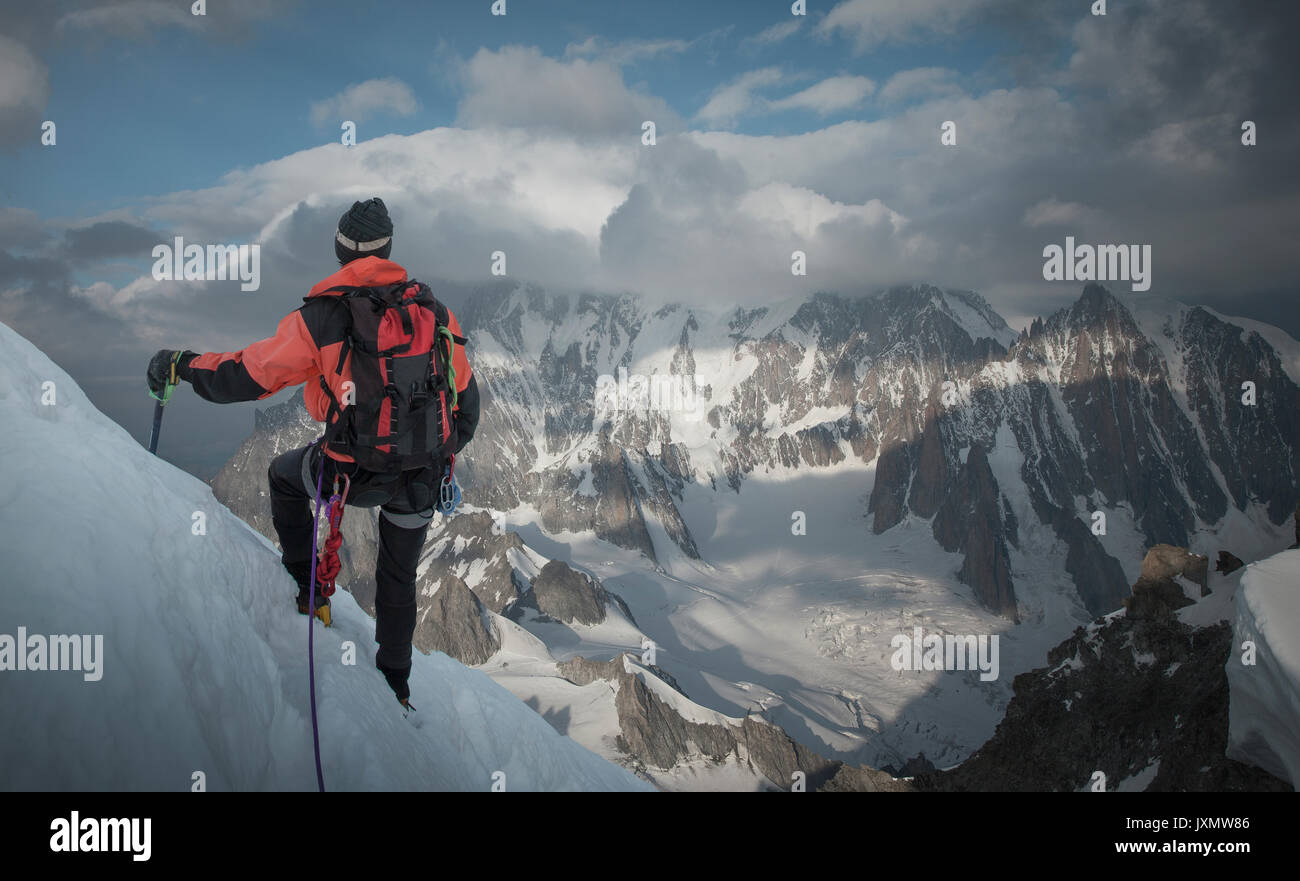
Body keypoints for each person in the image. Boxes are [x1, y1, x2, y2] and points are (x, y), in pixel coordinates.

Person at [146, 198, 480, 706]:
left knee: (283, 478)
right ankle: (396, 686)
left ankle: (308, 591)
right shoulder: (434, 313)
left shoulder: (323, 318)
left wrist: (183, 365)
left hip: (351, 474)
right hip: (420, 476)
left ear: (340, 251)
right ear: (389, 249)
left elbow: (246, 375)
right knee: (398, 577)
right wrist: (433, 454)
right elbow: (467, 404)